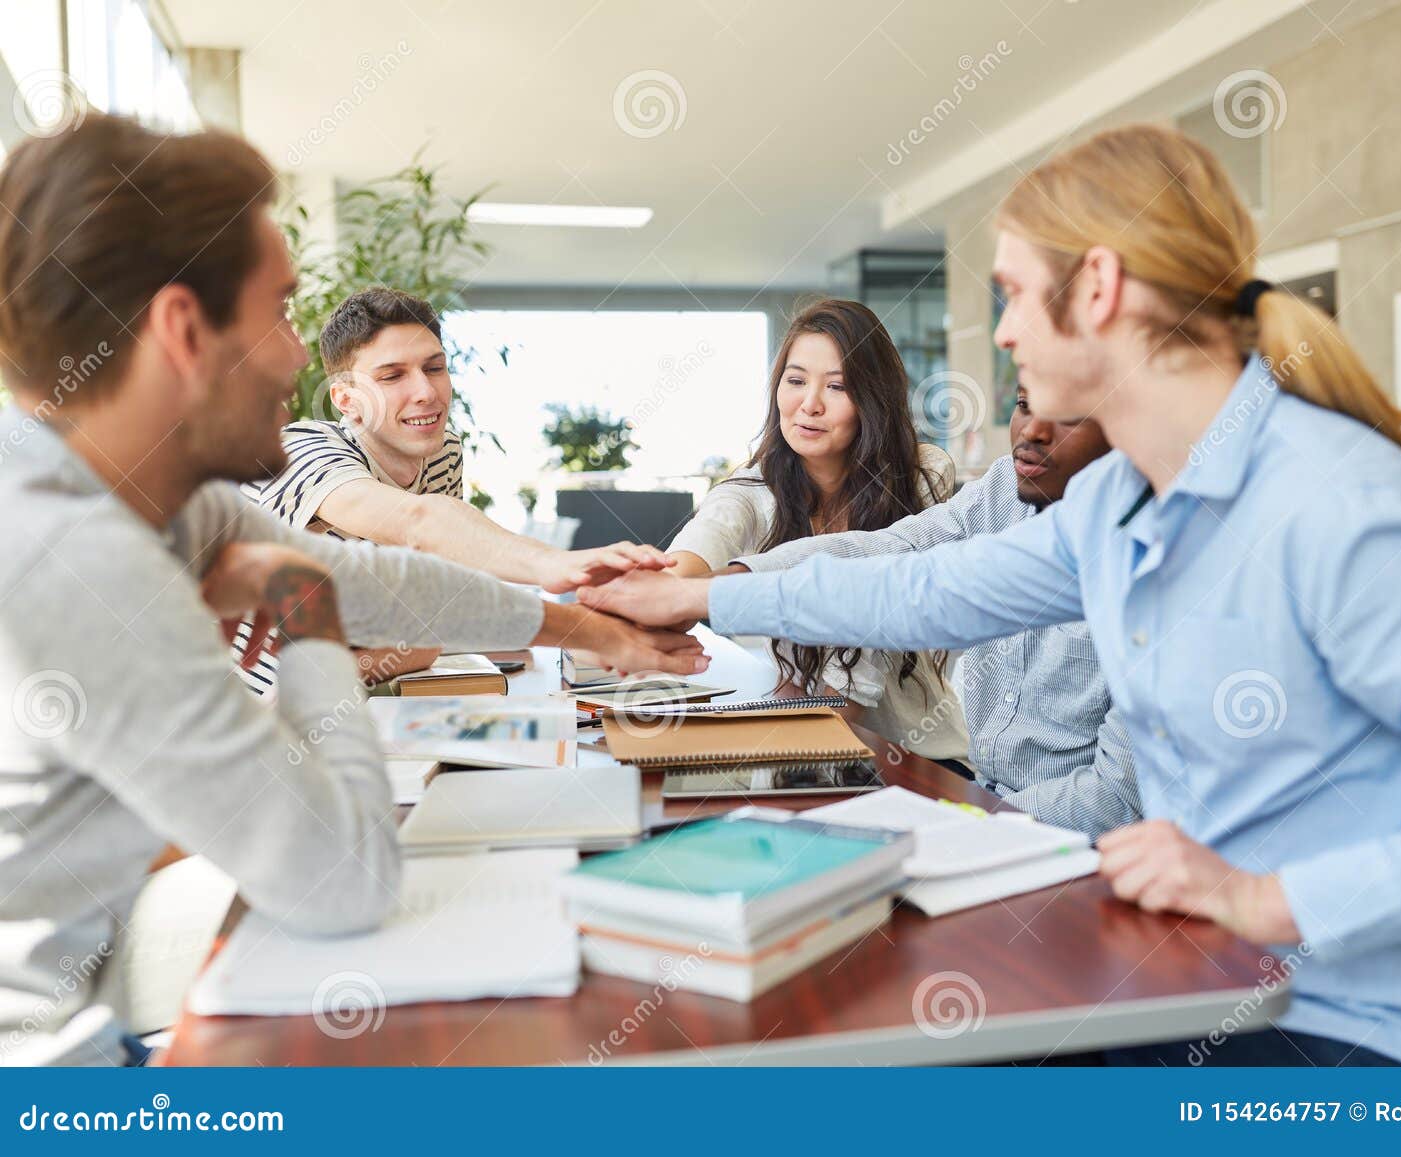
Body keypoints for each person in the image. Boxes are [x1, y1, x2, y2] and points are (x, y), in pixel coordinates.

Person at [580, 123, 1401, 1067]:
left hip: (1366, 1044)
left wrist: (1271, 896)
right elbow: (926, 585)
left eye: (1014, 294)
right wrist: (703, 596)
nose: (1005, 332)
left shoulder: (1341, 506)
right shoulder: (1120, 500)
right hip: (1195, 983)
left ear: (1099, 287)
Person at [0, 114, 704, 1066]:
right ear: (183, 331)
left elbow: (378, 580)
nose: (299, 356)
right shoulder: (75, 557)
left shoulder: (142, 495)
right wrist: (304, 608)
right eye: (281, 312)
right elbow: (345, 880)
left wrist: (592, 631)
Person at [722, 385, 1137, 834]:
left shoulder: (1147, 554)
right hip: (977, 795)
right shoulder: (1004, 488)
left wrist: (958, 823)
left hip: (1065, 836)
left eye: (1068, 415)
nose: (1032, 430)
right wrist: (720, 586)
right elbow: (896, 551)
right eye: (1022, 405)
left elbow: (1114, 800)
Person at [232, 287, 672, 694]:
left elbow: (431, 609)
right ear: (346, 400)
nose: (426, 392)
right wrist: (554, 564)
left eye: (434, 368)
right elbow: (418, 524)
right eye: (392, 376)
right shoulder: (299, 450)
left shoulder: (443, 452)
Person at [665, 298, 967, 764]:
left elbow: (875, 611)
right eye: (796, 381)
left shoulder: (923, 473)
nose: (809, 405)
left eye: (837, 386)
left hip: (919, 756)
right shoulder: (752, 489)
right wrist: (663, 593)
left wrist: (789, 743)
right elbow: (697, 549)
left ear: (873, 399)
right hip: (810, 742)